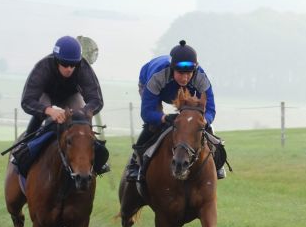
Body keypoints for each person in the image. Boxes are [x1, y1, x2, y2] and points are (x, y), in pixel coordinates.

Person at [126, 40, 225, 181]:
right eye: (180, 73)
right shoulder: (158, 76)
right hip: (155, 88)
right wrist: (164, 118)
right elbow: (147, 113)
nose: (185, 78)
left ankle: (217, 163)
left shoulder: (200, 77)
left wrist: (203, 121)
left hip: (187, 93)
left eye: (189, 73)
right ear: (172, 69)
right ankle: (135, 163)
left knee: (204, 125)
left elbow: (210, 109)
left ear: (195, 70)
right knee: (153, 125)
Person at [14, 35, 109, 175]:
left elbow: (97, 100)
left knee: (82, 118)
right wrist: (49, 111)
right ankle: (26, 144)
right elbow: (27, 101)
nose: (69, 69)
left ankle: (96, 158)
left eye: (73, 65)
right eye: (65, 64)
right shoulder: (43, 67)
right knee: (48, 120)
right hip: (45, 96)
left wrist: (84, 111)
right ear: (56, 60)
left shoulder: (83, 67)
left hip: (70, 96)